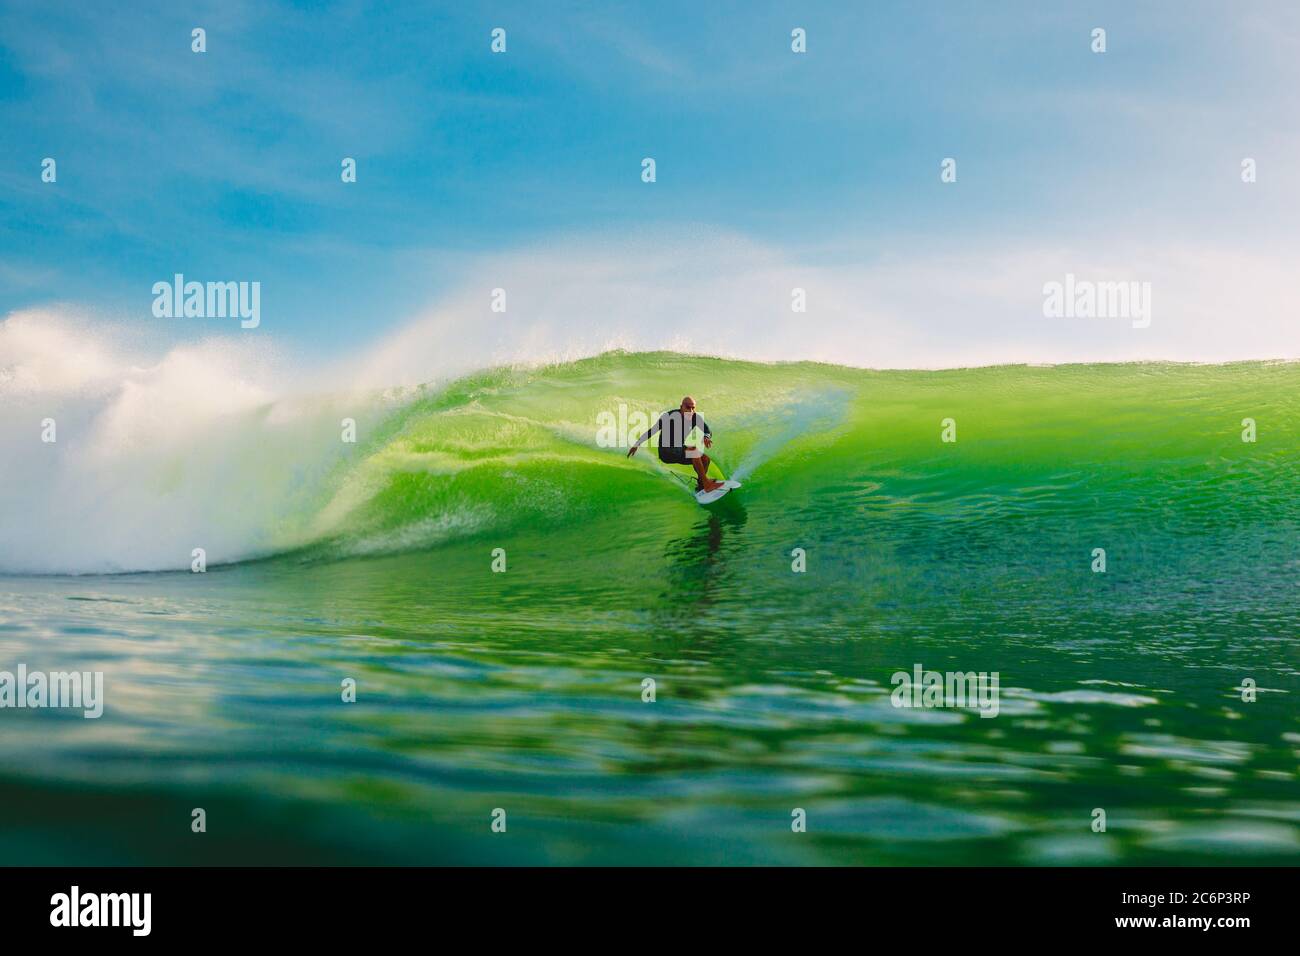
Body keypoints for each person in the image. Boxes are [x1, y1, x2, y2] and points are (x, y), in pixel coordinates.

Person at [627, 396, 723, 492]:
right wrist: (637, 443)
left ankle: (701, 484)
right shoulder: (669, 416)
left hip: (679, 450)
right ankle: (707, 484)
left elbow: (707, 431)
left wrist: (706, 437)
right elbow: (653, 430)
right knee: (694, 451)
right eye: (688, 407)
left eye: (693, 408)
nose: (691, 410)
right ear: (681, 407)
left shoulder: (695, 418)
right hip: (667, 453)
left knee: (705, 459)